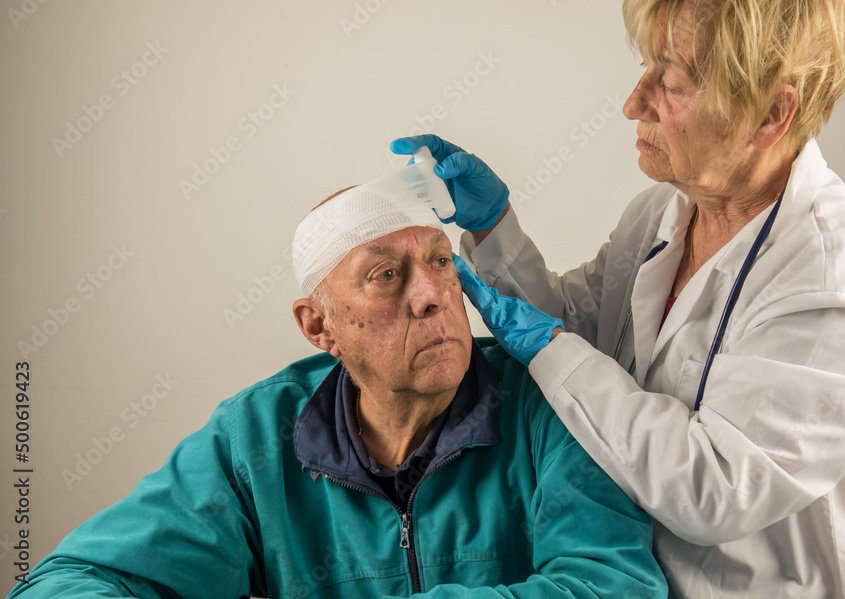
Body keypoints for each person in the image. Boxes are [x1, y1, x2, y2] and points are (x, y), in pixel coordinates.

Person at [390, 0, 845, 596]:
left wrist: (547, 347)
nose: (633, 102)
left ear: (772, 114)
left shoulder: (838, 282)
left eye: (670, 83)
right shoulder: (664, 212)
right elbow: (580, 334)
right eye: (646, 67)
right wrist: (494, 229)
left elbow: (713, 491)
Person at [8, 185, 670, 598]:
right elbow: (82, 575)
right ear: (316, 324)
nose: (432, 295)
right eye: (386, 274)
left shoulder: (549, 404)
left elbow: (612, 584)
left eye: (441, 261)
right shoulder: (256, 437)